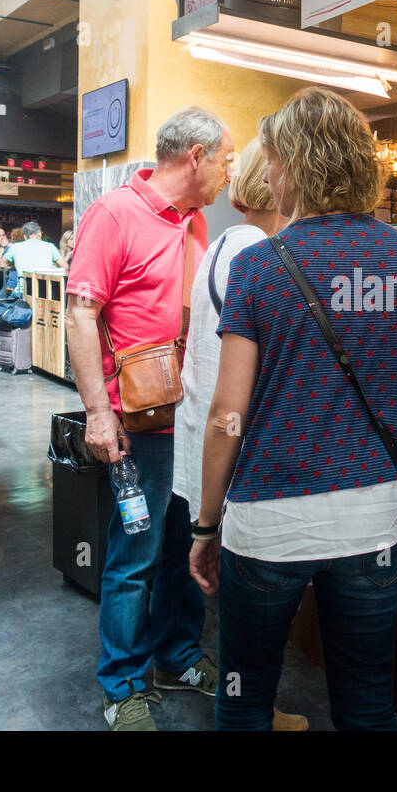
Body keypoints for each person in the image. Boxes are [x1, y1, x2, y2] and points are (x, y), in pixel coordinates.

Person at [189, 87, 397, 731]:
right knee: (368, 702)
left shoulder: (261, 267)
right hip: (374, 521)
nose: (271, 175)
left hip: (267, 520)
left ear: (298, 164)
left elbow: (226, 414)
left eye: (277, 162)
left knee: (243, 700)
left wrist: (206, 527)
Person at [65, 105, 235, 732]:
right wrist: (97, 411)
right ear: (196, 155)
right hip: (137, 425)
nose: (229, 170)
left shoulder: (193, 223)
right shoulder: (113, 214)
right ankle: (122, 685)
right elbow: (82, 313)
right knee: (134, 557)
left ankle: (177, 656)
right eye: (226, 157)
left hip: (190, 422)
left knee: (185, 549)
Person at [170, 138, 305, 732]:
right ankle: (253, 709)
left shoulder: (222, 241)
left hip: (201, 433)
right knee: (240, 605)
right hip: (232, 448)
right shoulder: (257, 251)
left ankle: (243, 701)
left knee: (227, 598)